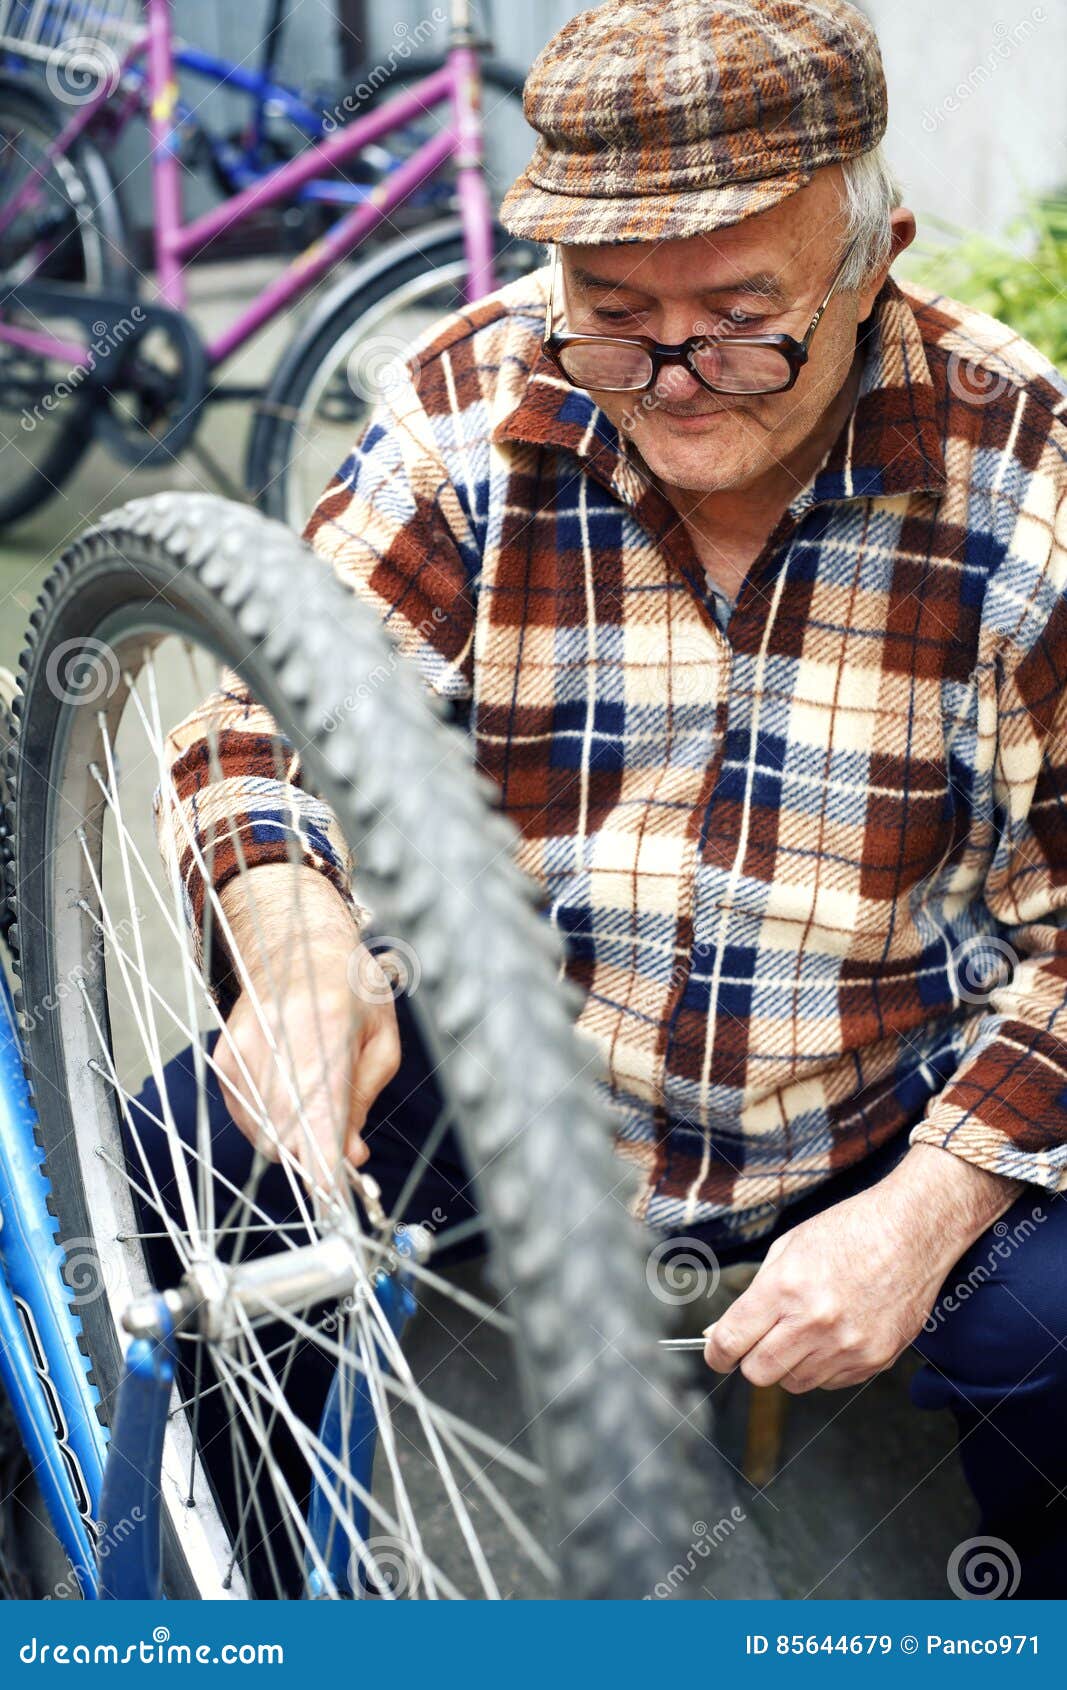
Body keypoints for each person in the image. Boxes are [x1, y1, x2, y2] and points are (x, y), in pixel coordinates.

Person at [157, 0, 1067, 1594]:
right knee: (206, 1169)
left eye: (739, 316)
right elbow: (254, 730)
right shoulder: (478, 404)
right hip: (513, 1051)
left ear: (874, 264)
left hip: (874, 1100)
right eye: (611, 309)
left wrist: (929, 1209)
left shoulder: (1024, 473)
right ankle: (245, 1593)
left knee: (1047, 1337)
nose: (670, 377)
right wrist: (302, 954)